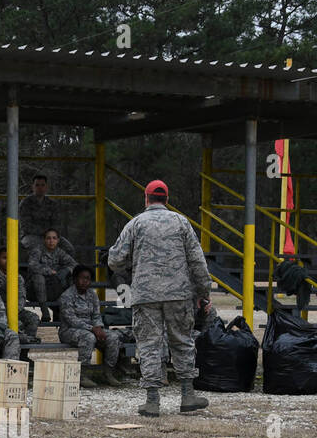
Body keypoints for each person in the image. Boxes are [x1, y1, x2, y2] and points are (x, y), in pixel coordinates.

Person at [107, 179, 212, 417]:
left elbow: (114, 260)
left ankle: (152, 401)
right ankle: (187, 396)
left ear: (146, 198)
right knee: (182, 341)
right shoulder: (181, 222)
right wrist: (203, 292)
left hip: (145, 295)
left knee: (148, 344)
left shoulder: (135, 224)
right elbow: (197, 261)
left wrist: (134, 260)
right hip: (179, 294)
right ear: (167, 199)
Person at [58, 265, 123, 388]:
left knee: (113, 337)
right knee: (89, 337)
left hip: (92, 329)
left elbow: (96, 315)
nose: (85, 281)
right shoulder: (66, 296)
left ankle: (108, 372)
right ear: (75, 279)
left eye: (88, 279)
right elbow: (71, 320)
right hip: (69, 331)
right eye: (82, 278)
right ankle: (83, 374)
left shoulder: (92, 295)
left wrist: (98, 327)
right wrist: (92, 329)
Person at [0, 246, 41, 344]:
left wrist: (14, 311)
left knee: (33, 318)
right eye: (4, 258)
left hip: (15, 309)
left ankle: (24, 351)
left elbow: (21, 297)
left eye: (10, 258)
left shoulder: (17, 276)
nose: (8, 261)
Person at [18, 174, 74, 255]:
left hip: (50, 236)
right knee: (39, 248)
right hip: (31, 236)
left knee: (68, 248)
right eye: (37, 185)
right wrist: (45, 233)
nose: (40, 188)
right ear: (32, 187)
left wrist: (51, 235)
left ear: (46, 187)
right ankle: (38, 267)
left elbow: (57, 223)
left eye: (42, 185)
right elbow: (26, 226)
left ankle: (63, 267)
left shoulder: (52, 203)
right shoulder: (26, 203)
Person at [27, 228, 76, 308]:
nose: (51, 241)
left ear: (58, 240)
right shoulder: (37, 250)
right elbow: (32, 266)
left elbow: (74, 264)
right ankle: (44, 309)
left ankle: (69, 307)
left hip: (53, 287)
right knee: (38, 277)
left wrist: (67, 270)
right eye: (48, 238)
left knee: (71, 278)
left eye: (54, 238)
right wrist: (49, 271)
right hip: (35, 288)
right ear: (44, 240)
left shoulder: (59, 252)